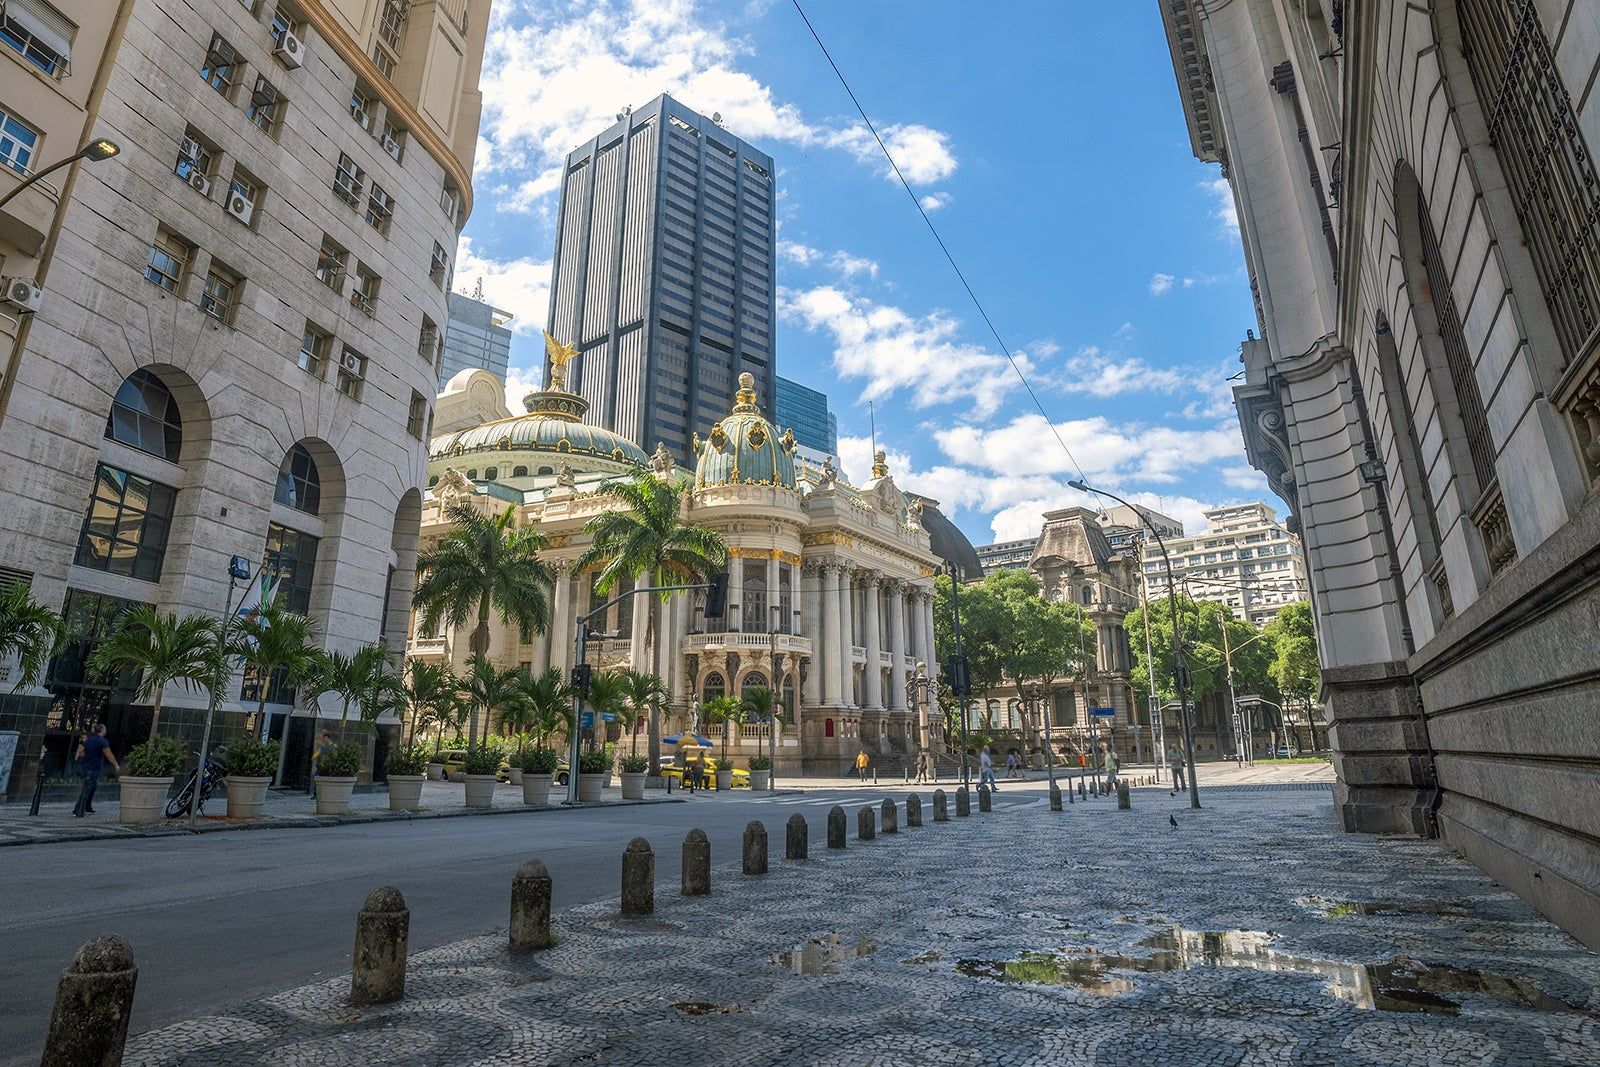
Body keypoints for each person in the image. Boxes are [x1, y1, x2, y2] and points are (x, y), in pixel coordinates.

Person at [72, 723, 120, 818]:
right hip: (93, 768)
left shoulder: (89, 740)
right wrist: (115, 765)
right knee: (88, 788)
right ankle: (78, 809)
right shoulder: (102, 741)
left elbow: (81, 751)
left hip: (85, 766)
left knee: (92, 786)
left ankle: (87, 807)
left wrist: (85, 757)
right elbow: (108, 754)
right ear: (102, 730)